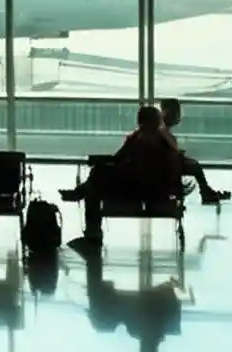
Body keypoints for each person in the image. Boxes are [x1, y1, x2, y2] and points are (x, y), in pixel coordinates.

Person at [60, 105, 180, 247]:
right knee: (96, 180)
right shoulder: (164, 141)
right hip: (147, 187)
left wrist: (101, 160)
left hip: (138, 188)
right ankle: (83, 195)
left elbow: (119, 158)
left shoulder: (139, 139)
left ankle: (91, 230)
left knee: (95, 183)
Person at [159, 98, 232, 205]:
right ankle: (206, 192)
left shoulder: (161, 130)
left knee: (194, 165)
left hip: (169, 164)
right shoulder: (163, 132)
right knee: (194, 166)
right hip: (169, 166)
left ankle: (206, 192)